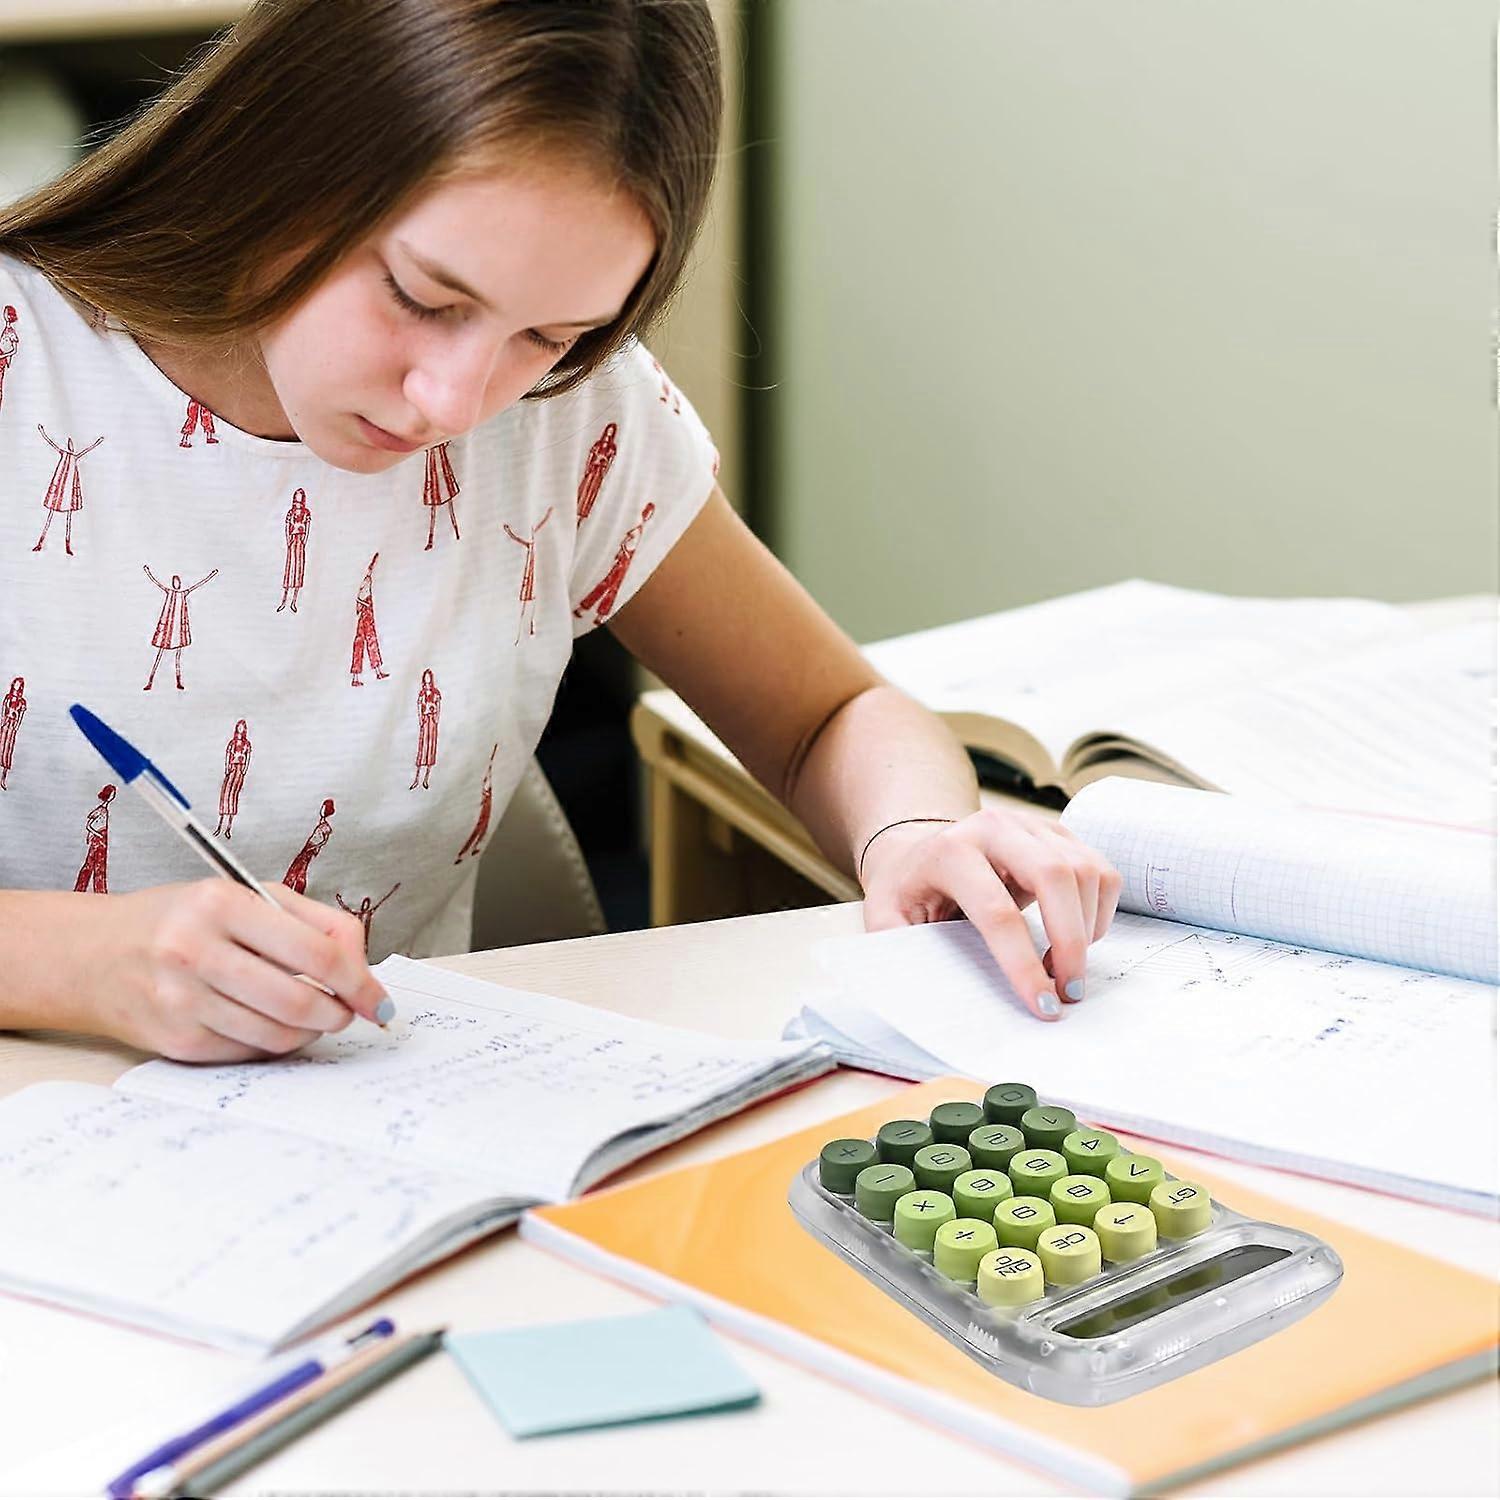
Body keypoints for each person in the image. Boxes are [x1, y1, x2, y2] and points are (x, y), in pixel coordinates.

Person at [0, 0, 1120, 1066]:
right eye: (423, 297)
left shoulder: (570, 413)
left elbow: (830, 715)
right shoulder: (23, 367)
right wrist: (83, 962)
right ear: (282, 153)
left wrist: (914, 833)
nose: (454, 401)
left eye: (549, 333)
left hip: (392, 1129)